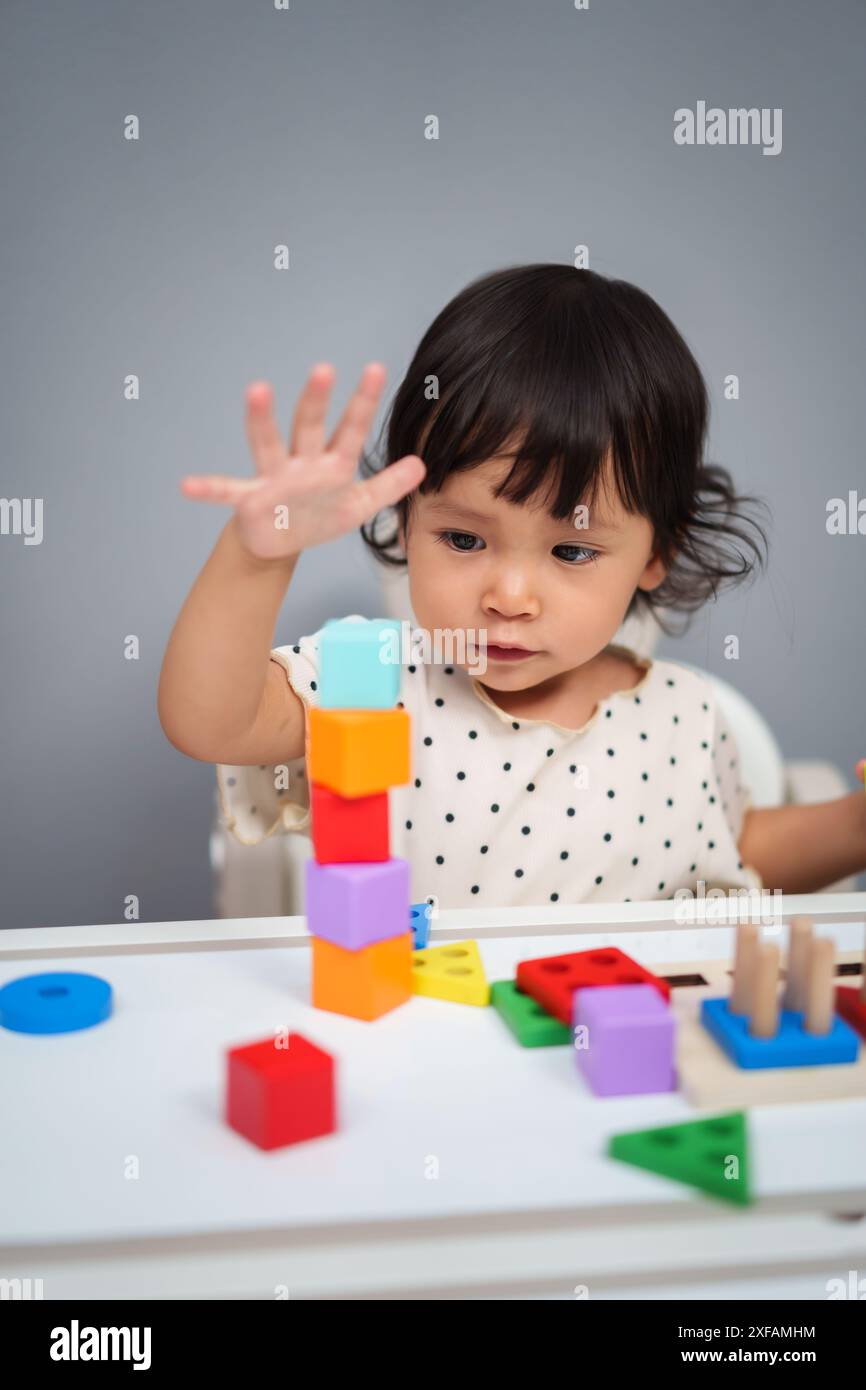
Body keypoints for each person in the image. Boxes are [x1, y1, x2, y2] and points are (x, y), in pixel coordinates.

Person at [158, 264, 866, 908]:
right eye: (464, 540)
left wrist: (856, 825)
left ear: (657, 555)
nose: (510, 597)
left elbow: (731, 854)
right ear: (406, 521)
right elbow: (211, 721)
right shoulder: (373, 684)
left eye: (572, 549)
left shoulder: (686, 716)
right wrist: (257, 558)